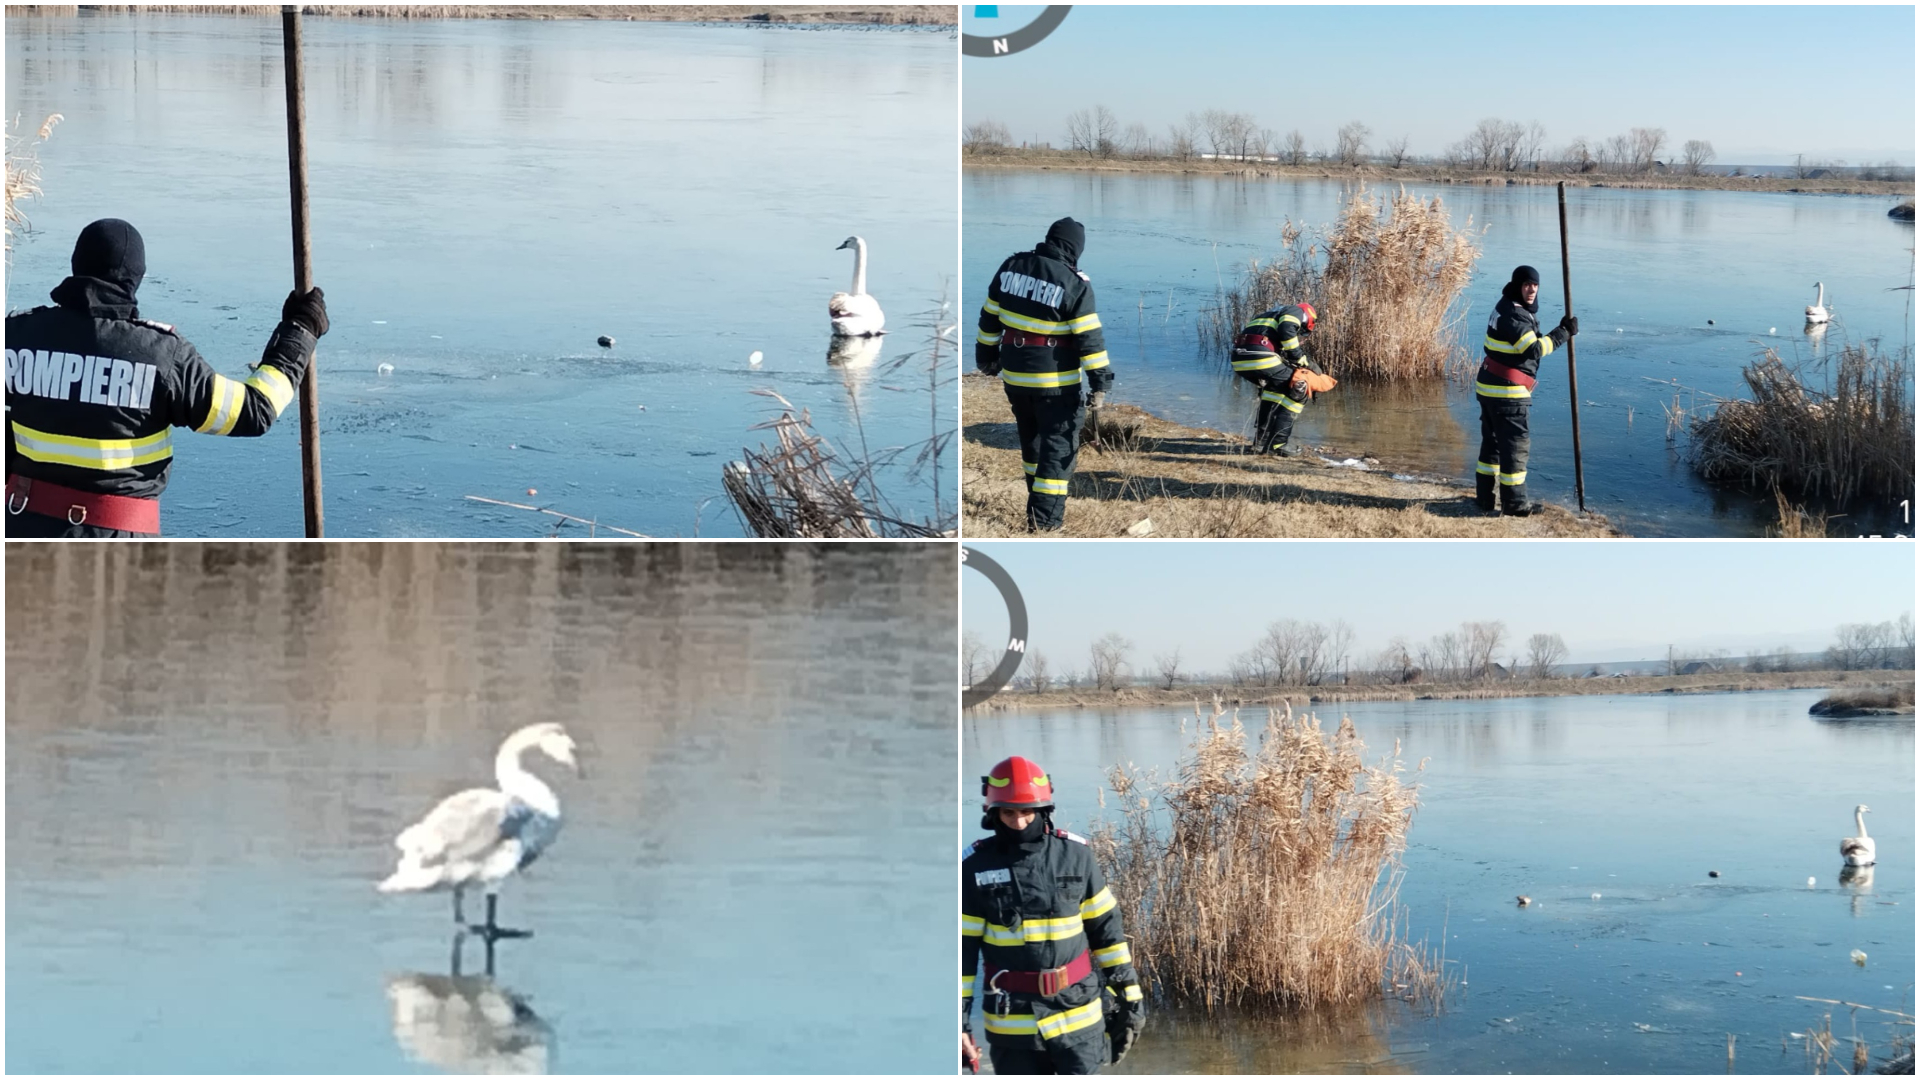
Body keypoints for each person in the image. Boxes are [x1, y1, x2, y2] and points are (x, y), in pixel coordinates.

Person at [5, 218, 328, 536]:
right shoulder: (160, 355)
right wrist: (299, 331)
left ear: (76, 265)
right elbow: (252, 412)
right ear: (135, 278)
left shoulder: (16, 336)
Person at [962, 755, 1145, 1075]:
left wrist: (1129, 995)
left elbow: (1107, 933)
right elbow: (962, 954)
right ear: (993, 814)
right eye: (1008, 813)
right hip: (1013, 1027)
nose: (1018, 822)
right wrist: (959, 1022)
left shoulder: (1076, 857)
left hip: (1079, 1018)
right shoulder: (975, 868)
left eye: (1026, 812)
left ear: (1043, 811)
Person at [975, 217, 1108, 532]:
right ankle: (1046, 525)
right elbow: (1090, 340)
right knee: (1057, 450)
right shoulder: (1075, 284)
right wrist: (1100, 382)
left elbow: (989, 319)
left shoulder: (1010, 267)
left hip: (1016, 379)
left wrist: (986, 359)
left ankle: (1036, 512)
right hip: (1055, 383)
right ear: (1075, 249)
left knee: (1032, 445)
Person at [1473, 264, 1576, 516]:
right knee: (1516, 447)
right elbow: (1533, 350)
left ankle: (1485, 498)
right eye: (1527, 284)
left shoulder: (1505, 305)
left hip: (1490, 387)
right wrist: (1563, 333)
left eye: (1535, 285)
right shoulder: (1514, 314)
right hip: (1507, 393)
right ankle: (1515, 504)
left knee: (1492, 446)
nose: (1531, 290)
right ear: (1517, 285)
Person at [1229, 302, 1336, 456]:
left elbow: (1268, 339)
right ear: (1309, 318)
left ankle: (1260, 444)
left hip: (1239, 361)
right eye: (1303, 331)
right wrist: (1302, 358)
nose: (1301, 335)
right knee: (1300, 389)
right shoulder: (1296, 311)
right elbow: (1287, 329)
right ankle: (1278, 444)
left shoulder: (1266, 316)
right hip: (1262, 358)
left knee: (1273, 391)